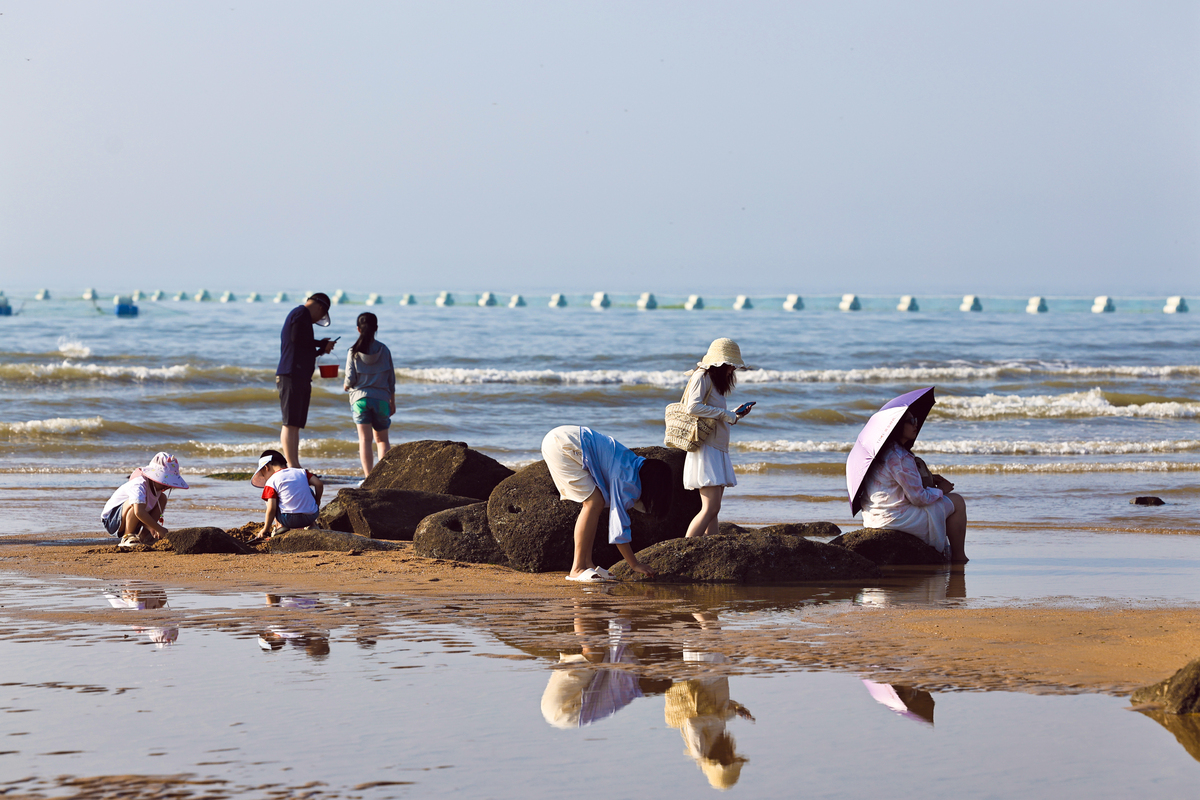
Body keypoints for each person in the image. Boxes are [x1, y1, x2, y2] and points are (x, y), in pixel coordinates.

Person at [541, 425, 674, 582]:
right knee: (593, 503)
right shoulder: (626, 481)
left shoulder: (633, 464)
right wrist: (634, 564)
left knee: (596, 502)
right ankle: (576, 569)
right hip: (564, 444)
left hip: (565, 438)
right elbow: (618, 530)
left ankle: (587, 564)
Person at [859, 410, 968, 563]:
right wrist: (942, 490)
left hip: (873, 517)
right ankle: (958, 557)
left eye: (915, 419)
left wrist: (926, 479)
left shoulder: (882, 452)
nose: (915, 424)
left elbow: (894, 484)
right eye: (910, 421)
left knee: (942, 501)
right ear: (897, 426)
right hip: (896, 519)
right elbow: (918, 498)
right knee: (957, 501)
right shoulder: (900, 457)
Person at [681, 338, 754, 538]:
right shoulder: (702, 376)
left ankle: (711, 547)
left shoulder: (712, 381)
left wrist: (734, 415)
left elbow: (711, 412)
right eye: (730, 365)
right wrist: (726, 415)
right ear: (720, 363)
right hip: (707, 448)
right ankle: (686, 549)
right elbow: (692, 407)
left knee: (713, 510)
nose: (732, 370)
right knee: (710, 509)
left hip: (717, 447)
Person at [276, 292, 336, 468]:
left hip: (298, 375)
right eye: (322, 315)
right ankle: (292, 465)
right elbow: (297, 338)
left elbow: (301, 346)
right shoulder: (301, 313)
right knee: (289, 423)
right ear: (320, 307)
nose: (319, 319)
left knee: (295, 423)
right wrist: (320, 344)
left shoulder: (300, 316)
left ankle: (294, 464)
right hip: (291, 374)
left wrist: (320, 349)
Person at [343, 311, 396, 477]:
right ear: (376, 328)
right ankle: (383, 478)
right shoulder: (384, 349)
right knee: (382, 441)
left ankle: (368, 477)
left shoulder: (353, 351)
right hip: (381, 400)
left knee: (365, 441)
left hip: (360, 400)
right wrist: (392, 401)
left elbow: (350, 380)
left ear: (358, 329)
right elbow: (391, 380)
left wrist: (346, 385)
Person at [100, 452, 189, 547]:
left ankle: (145, 536)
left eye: (169, 483)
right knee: (137, 502)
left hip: (135, 517)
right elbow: (139, 512)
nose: (166, 485)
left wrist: (152, 527)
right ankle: (128, 535)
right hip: (112, 519)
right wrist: (159, 528)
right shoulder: (139, 485)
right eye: (164, 482)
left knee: (162, 498)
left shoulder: (157, 489)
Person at [250, 449, 324, 542]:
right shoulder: (302, 472)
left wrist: (265, 529)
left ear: (266, 468)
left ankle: (280, 526)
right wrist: (317, 502)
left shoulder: (271, 481)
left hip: (288, 519)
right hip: (310, 516)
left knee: (269, 498)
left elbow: (272, 509)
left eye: (263, 474)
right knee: (308, 490)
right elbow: (319, 484)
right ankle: (312, 525)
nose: (264, 477)